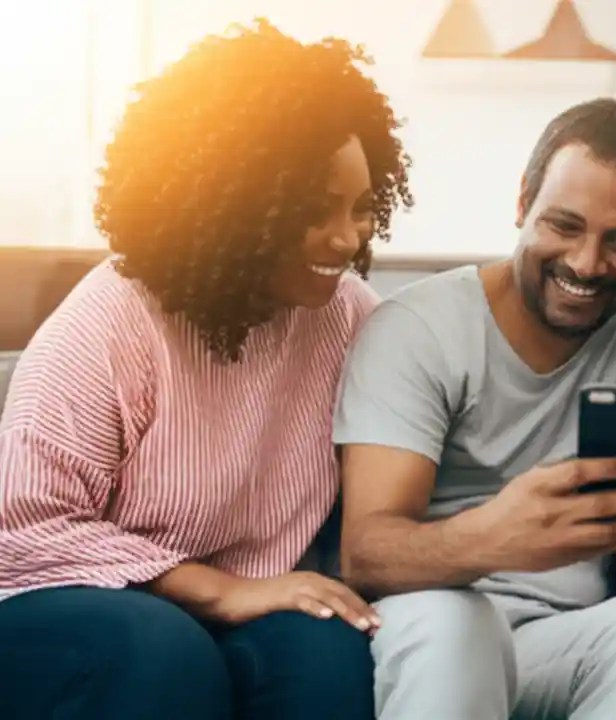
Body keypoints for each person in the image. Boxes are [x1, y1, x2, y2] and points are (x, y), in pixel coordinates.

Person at [0, 20, 412, 720]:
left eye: (361, 208)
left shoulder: (348, 317)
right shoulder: (111, 321)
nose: (347, 239)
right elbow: (23, 530)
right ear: (236, 207)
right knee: (163, 649)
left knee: (330, 653)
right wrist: (216, 590)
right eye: (317, 212)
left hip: (246, 603)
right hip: (64, 603)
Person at [334, 98, 616, 720]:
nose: (587, 264)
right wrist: (499, 537)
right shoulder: (421, 329)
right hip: (428, 618)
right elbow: (365, 554)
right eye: (564, 225)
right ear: (522, 202)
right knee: (457, 624)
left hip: (563, 636)